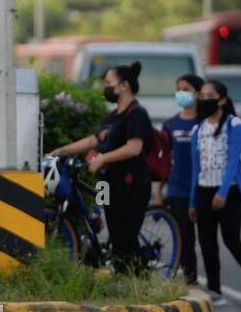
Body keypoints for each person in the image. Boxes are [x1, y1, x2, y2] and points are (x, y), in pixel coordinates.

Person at [48, 61, 152, 274]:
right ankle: (127, 276)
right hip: (111, 183)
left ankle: (136, 280)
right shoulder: (113, 117)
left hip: (132, 183)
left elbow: (134, 147)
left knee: (125, 236)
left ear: (124, 86)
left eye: (108, 83)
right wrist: (60, 151)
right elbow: (93, 140)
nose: (106, 88)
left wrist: (104, 158)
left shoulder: (137, 113)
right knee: (116, 235)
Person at [188, 79, 241, 307]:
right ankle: (215, 290)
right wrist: (193, 201)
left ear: (221, 99)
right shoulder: (197, 129)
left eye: (210, 95)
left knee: (231, 240)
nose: (204, 100)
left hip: (229, 191)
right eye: (201, 95)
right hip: (203, 190)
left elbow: (233, 162)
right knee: (207, 242)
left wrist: (222, 192)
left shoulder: (235, 125)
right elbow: (195, 167)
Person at [158, 73, 203, 285]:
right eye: (179, 88)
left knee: (207, 239)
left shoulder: (205, 123)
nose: (181, 93)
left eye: (185, 89)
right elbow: (164, 161)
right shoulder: (170, 124)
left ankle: (214, 286)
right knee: (185, 238)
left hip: (203, 188)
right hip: (177, 190)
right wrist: (159, 191)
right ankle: (190, 280)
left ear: (197, 93)